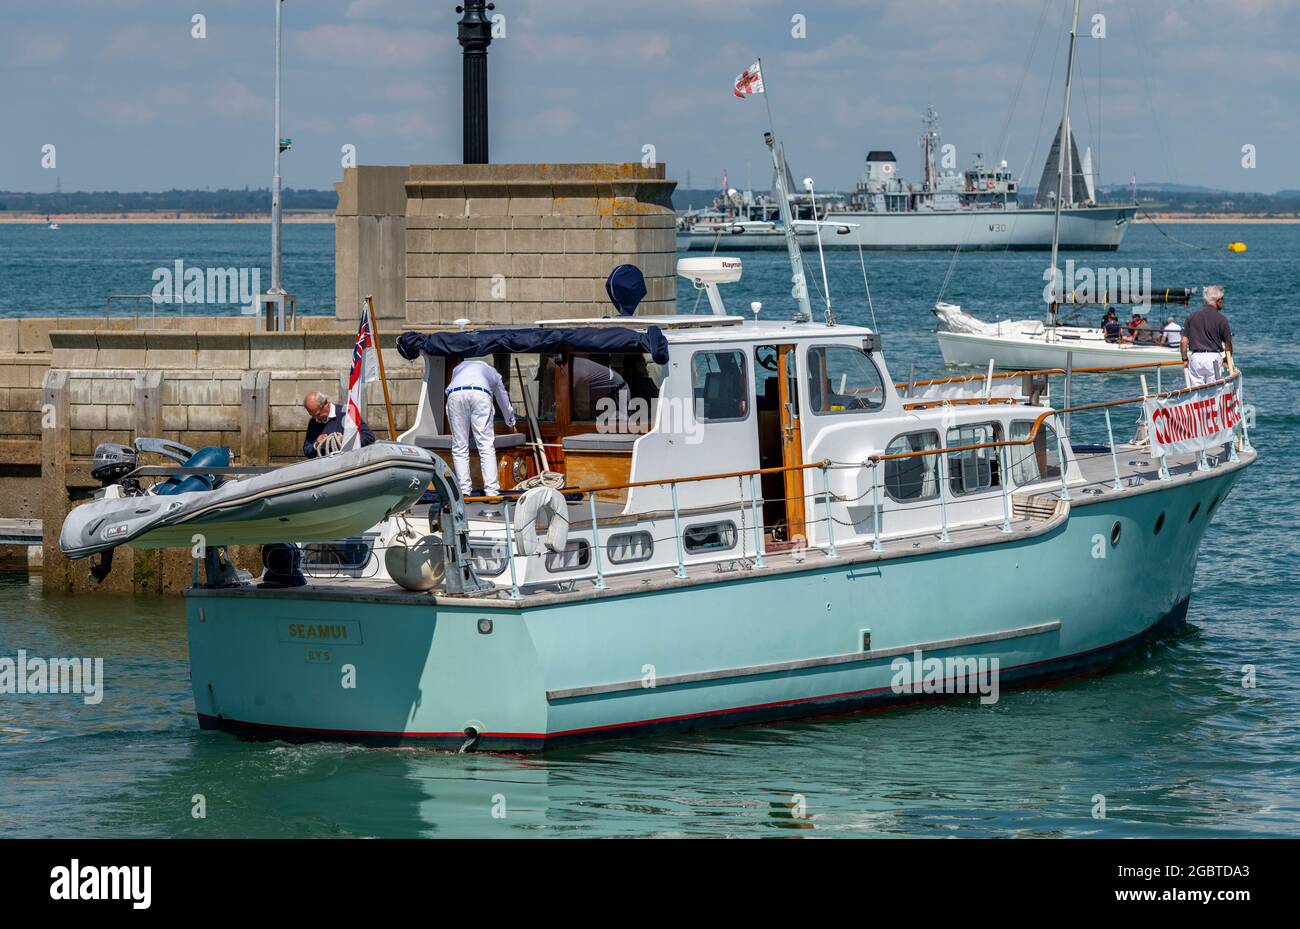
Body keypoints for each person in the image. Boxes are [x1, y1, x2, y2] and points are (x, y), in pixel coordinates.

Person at [445, 356, 517, 497]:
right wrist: (511, 423)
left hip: (455, 394)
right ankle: (491, 492)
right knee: (485, 445)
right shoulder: (493, 373)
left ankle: (464, 491)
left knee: (460, 446)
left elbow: (455, 391)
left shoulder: (458, 369)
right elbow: (503, 399)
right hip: (480, 394)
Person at [1181, 285, 1233, 387]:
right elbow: (1228, 343)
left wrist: (1185, 359)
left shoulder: (1192, 316)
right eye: (1222, 299)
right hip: (1213, 358)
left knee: (1195, 392)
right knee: (1215, 390)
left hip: (1196, 358)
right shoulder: (1221, 319)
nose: (1223, 301)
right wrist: (1227, 359)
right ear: (1218, 300)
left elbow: (1183, 341)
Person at [302, 391, 374, 457]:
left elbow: (368, 437)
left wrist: (344, 440)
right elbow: (307, 450)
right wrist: (316, 444)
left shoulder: (346, 412)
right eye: (313, 415)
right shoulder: (313, 422)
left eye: (318, 414)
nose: (316, 418)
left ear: (326, 403)